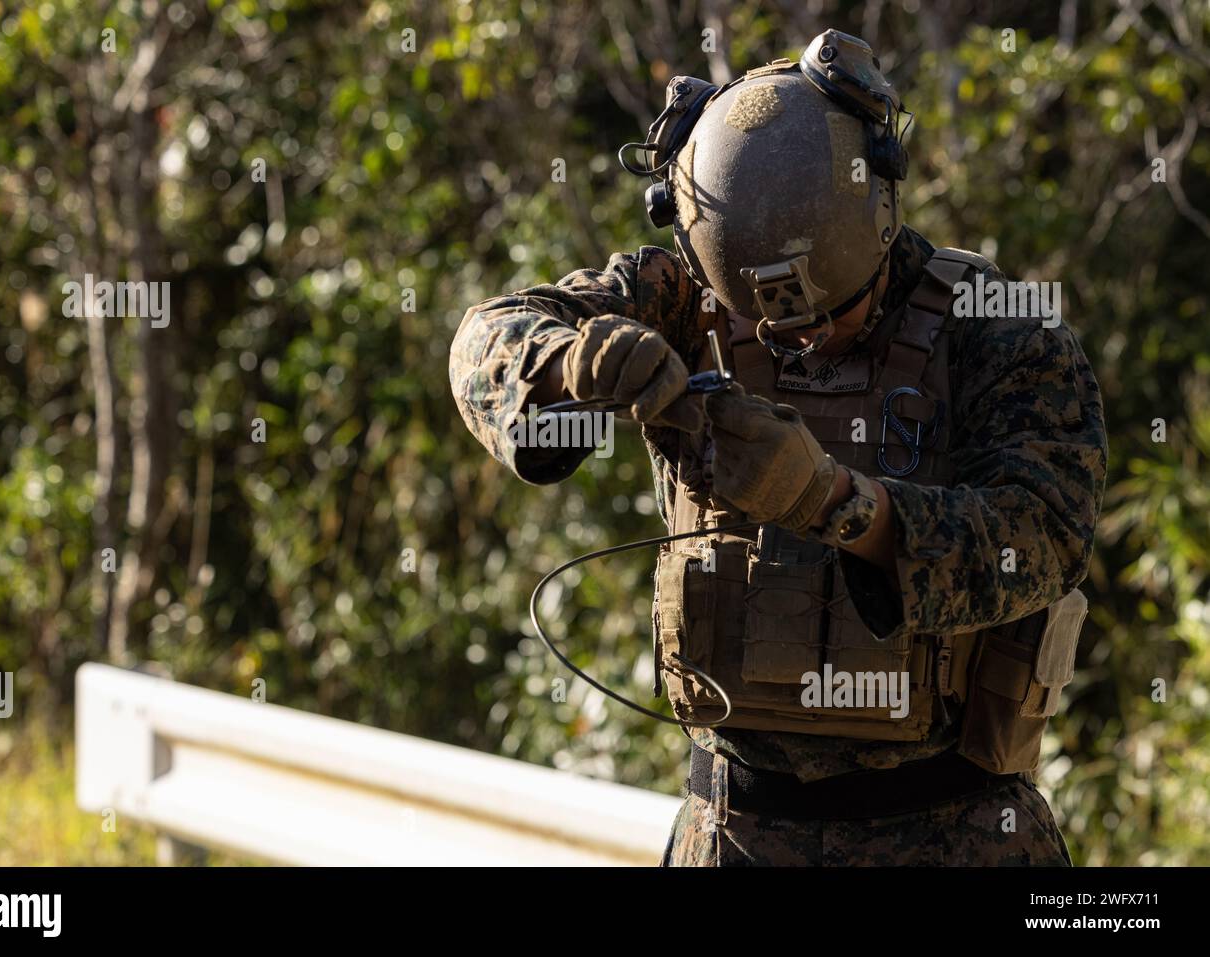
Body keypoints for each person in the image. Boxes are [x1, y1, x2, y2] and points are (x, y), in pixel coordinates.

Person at [449, 30, 1107, 866]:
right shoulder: (684, 297)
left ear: (882, 221)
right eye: (769, 329)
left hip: (953, 831)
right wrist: (564, 365)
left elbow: (1045, 532)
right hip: (736, 832)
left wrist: (837, 505)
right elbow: (484, 339)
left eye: (829, 318)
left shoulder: (995, 324)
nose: (800, 344)